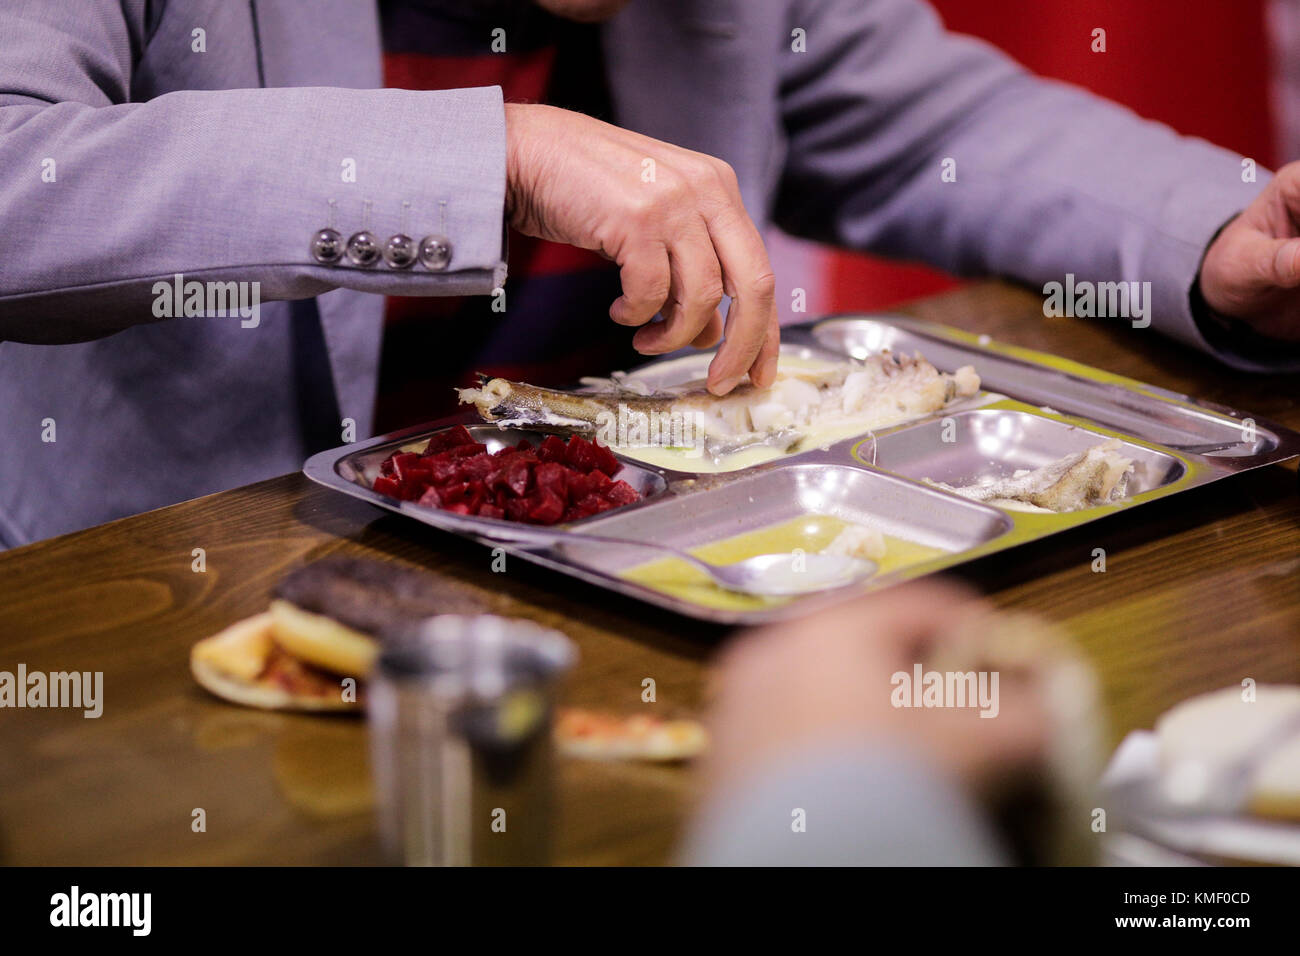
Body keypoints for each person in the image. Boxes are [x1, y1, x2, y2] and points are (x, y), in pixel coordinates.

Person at [2, 0, 1299, 546]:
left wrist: (1214, 238)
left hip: (626, 592)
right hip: (173, 620)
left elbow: (934, 126)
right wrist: (483, 157)